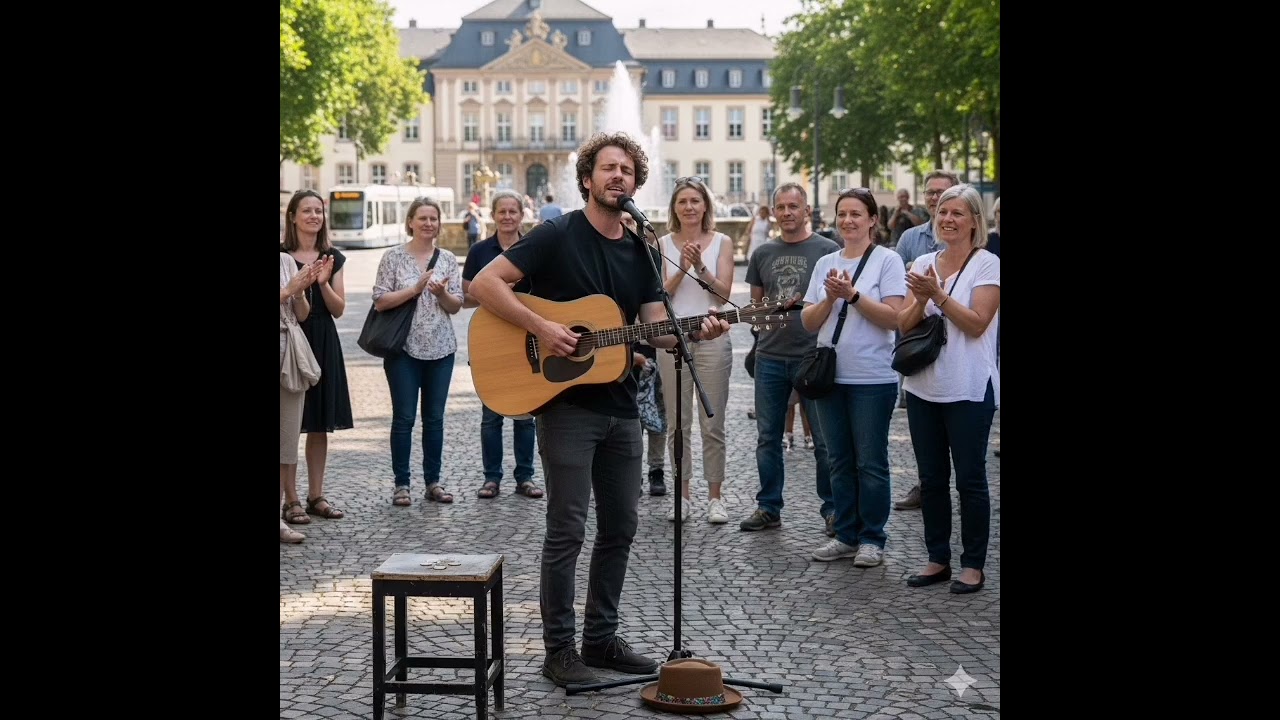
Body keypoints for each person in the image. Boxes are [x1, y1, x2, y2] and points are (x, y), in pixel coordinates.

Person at [468, 132, 729, 688]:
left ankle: (600, 639)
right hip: (563, 404)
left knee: (623, 524)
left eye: (628, 170)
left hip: (620, 407)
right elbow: (484, 283)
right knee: (567, 527)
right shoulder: (557, 235)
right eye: (608, 167)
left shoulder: (641, 247)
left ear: (636, 183)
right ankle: (559, 651)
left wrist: (691, 330)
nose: (618, 177)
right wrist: (542, 326)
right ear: (587, 178)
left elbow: (654, 324)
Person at [898, 184, 1000, 594]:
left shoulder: (987, 264)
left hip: (969, 386)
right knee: (932, 478)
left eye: (958, 213)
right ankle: (937, 557)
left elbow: (977, 323)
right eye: (942, 212)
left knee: (971, 478)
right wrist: (921, 300)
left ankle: (973, 563)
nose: (947, 219)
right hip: (924, 386)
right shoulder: (923, 261)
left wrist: (936, 293)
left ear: (975, 220)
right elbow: (903, 325)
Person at [801, 188, 907, 566]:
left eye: (856, 214)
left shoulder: (887, 261)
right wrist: (830, 299)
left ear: (873, 219)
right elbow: (809, 320)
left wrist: (854, 295)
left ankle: (872, 538)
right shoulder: (826, 261)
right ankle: (845, 533)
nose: (848, 220)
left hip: (872, 378)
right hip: (832, 376)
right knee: (838, 459)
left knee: (870, 461)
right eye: (842, 213)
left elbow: (895, 319)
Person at [740, 183, 841, 534]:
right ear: (774, 212)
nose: (786, 213)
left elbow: (839, 303)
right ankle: (769, 507)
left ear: (806, 211)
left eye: (793, 206)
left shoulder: (829, 250)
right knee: (768, 438)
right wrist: (764, 311)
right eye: (780, 207)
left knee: (825, 443)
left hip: (813, 356)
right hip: (769, 355)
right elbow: (753, 311)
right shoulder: (763, 253)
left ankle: (832, 509)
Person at [372, 196, 465, 507]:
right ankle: (401, 484)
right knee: (404, 418)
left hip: (441, 348)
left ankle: (433, 482)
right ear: (410, 222)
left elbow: (456, 305)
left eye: (433, 219)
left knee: (434, 419)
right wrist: (413, 290)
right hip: (403, 350)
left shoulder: (449, 259)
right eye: (422, 218)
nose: (428, 224)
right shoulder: (393, 258)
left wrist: (441, 295)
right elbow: (380, 300)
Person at [655, 176, 736, 524]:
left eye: (695, 201)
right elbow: (659, 297)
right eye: (683, 201)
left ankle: (715, 497)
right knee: (677, 424)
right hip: (672, 342)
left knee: (712, 422)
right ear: (675, 207)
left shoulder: (722, 242)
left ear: (705, 206)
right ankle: (682, 496)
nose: (689, 207)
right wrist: (682, 268)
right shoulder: (662, 243)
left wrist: (700, 266)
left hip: (713, 337)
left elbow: (722, 296)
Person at [462, 190, 543, 500]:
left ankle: (525, 476)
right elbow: (468, 296)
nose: (508, 217)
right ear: (493, 215)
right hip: (491, 336)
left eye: (513, 211)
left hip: (526, 336)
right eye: (502, 212)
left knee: (526, 413)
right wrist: (496, 291)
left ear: (521, 215)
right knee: (491, 415)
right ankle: (491, 478)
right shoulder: (480, 251)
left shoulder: (534, 248)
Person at [280, 190, 352, 527]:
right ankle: (290, 497)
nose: (314, 216)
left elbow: (338, 309)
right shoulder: (282, 256)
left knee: (319, 423)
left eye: (318, 211)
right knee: (289, 426)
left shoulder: (331, 256)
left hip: (323, 339)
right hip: (291, 339)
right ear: (292, 216)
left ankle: (316, 495)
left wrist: (322, 283)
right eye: (306, 211)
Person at [893, 170, 960, 509]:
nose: (935, 199)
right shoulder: (910, 240)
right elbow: (899, 287)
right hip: (919, 339)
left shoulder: (973, 243)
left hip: (959, 342)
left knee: (959, 420)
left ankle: (964, 488)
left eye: (942, 193)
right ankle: (925, 484)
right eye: (930, 193)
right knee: (924, 422)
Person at [623, 214, 668, 497]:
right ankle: (631, 473)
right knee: (632, 417)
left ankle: (656, 469)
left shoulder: (649, 261)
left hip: (653, 350)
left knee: (658, 412)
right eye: (624, 221)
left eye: (632, 222)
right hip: (622, 353)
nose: (628, 226)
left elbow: (660, 309)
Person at [280, 252, 318, 543]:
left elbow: (302, 314)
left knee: (286, 441)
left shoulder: (285, 261)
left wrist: (300, 292)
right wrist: (288, 290)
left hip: (288, 357)